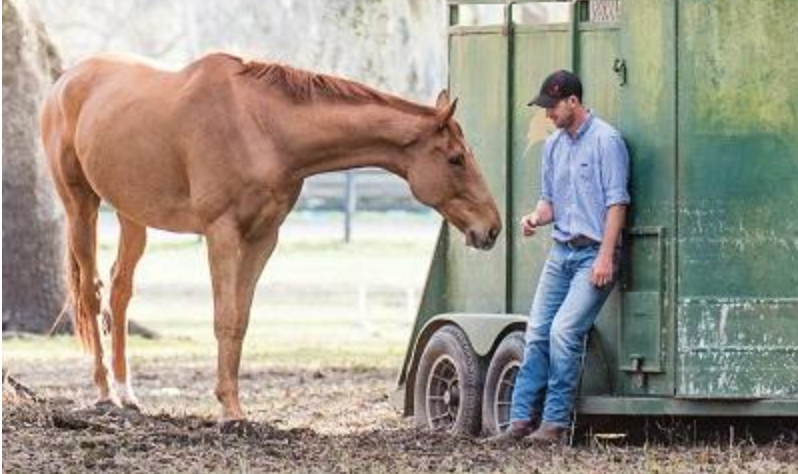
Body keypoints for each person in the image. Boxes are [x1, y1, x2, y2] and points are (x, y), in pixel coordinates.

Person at [495, 70, 630, 444]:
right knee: (536, 332)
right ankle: (520, 421)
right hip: (560, 252)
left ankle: (554, 424)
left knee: (564, 332)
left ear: (573, 102)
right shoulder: (553, 145)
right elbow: (549, 202)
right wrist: (535, 218)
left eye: (552, 107)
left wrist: (605, 257)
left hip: (593, 256)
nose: (548, 114)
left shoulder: (607, 141)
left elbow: (617, 204)